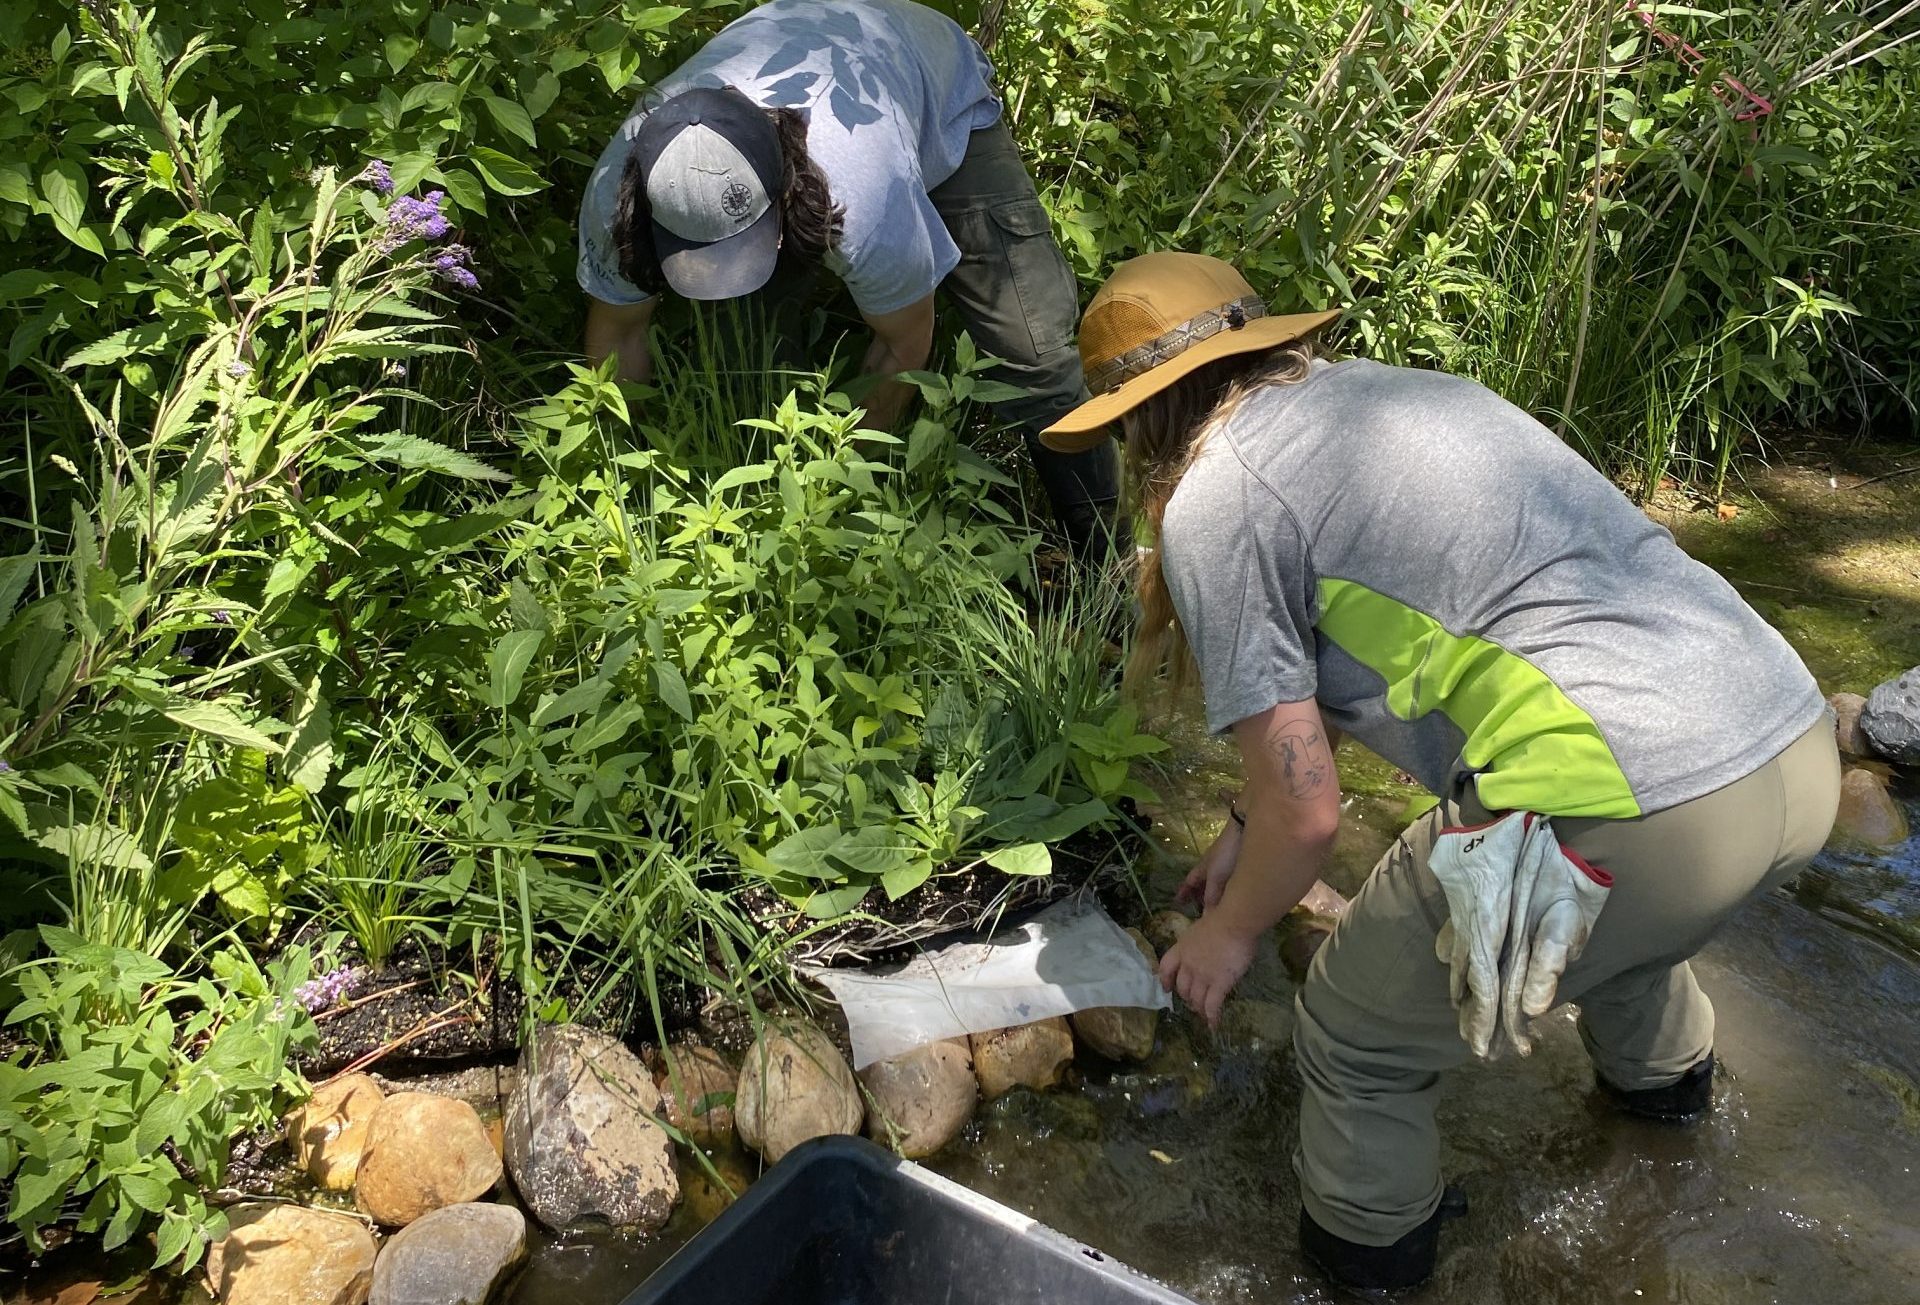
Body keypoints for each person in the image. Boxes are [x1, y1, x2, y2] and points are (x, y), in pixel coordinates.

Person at [1039, 251, 1841, 1290]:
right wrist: (1245, 827)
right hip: (1783, 742)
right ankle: (1671, 1138)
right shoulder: (1402, 398)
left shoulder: (1215, 498)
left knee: (1356, 1036)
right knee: (1620, 936)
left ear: (1137, 419)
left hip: (1630, 802)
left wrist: (1227, 935)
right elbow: (1312, 708)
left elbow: (1314, 815)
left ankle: (1369, 1273)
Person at [577, 0, 1119, 559]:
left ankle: (1113, 560)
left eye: (747, 242)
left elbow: (902, 341)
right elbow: (618, 333)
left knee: (1031, 354)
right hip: (805, 58)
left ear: (785, 192)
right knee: (744, 341)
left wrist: (839, 497)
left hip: (925, 76)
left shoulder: (858, 190)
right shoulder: (618, 191)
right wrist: (626, 476)